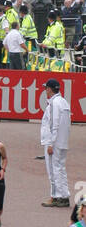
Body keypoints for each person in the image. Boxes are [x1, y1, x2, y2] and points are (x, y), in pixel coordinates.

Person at [40, 78, 71, 207]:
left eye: (46, 88)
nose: (45, 90)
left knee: (53, 169)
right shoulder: (64, 102)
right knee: (61, 168)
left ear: (49, 89)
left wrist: (51, 143)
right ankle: (64, 195)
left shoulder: (54, 104)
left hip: (54, 141)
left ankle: (56, 196)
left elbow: (54, 123)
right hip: (63, 141)